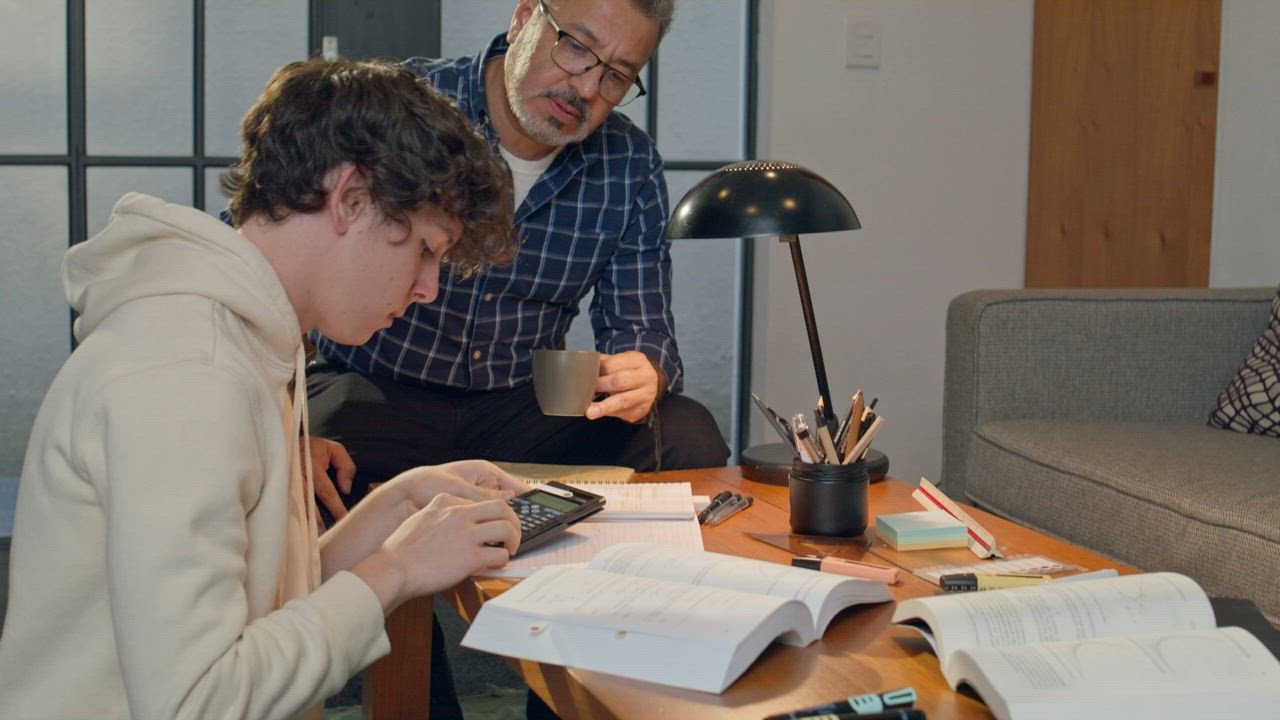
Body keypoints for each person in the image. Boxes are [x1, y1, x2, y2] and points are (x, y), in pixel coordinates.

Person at [0, 58, 529, 719]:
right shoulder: (188, 371)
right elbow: (198, 700)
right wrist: (396, 569)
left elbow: (258, 615)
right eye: (424, 248)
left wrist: (396, 509)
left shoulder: (246, 336)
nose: (427, 289)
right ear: (351, 198)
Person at [306, 0, 731, 513]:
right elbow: (272, 260)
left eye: (618, 76)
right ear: (525, 19)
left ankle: (609, 581)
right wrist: (279, 426)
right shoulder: (404, 105)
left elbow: (643, 328)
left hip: (519, 408)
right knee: (303, 449)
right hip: (375, 391)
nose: (587, 89)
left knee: (688, 433)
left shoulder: (628, 163)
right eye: (577, 48)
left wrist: (646, 374)